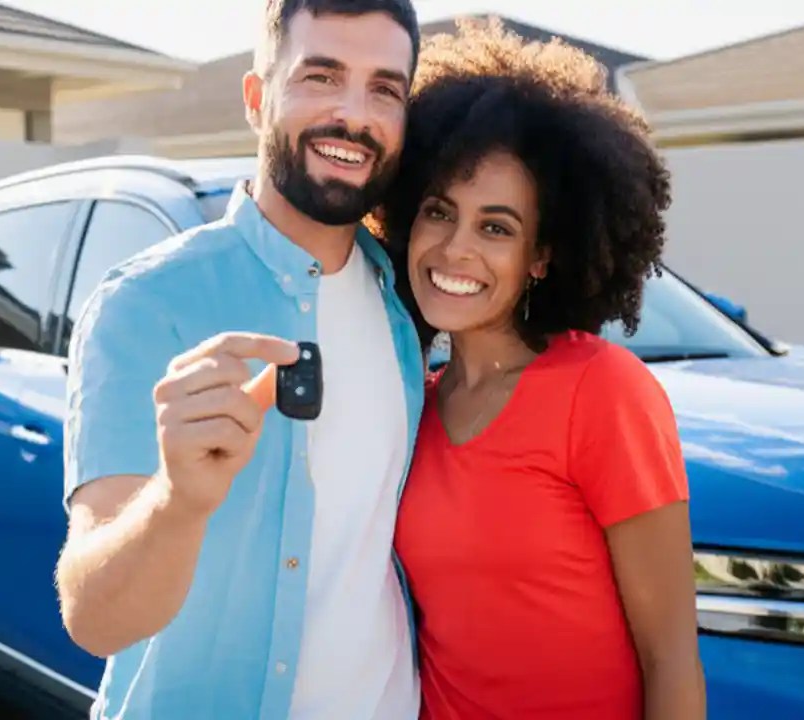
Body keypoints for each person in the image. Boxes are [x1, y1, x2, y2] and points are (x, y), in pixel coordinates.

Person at [53, 1, 427, 718]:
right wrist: (177, 499)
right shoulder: (147, 304)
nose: (355, 114)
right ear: (258, 100)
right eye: (321, 76)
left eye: (385, 88)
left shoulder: (404, 305)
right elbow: (92, 619)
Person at [384, 20, 707, 720]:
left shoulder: (602, 392)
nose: (456, 249)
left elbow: (672, 658)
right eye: (440, 212)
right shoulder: (413, 400)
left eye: (496, 227)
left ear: (541, 256)